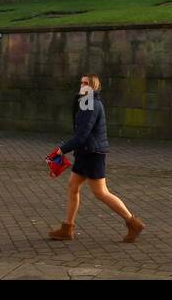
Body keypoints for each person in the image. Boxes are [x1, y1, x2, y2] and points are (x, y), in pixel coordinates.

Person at [47, 75, 145, 243]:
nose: (83, 85)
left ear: (94, 87)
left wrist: (61, 150)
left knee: (101, 192)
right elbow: (81, 133)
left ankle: (133, 223)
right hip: (85, 153)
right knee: (73, 186)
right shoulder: (86, 102)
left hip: (93, 154)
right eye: (82, 82)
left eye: (87, 83)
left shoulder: (91, 104)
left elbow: (82, 135)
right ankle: (67, 228)